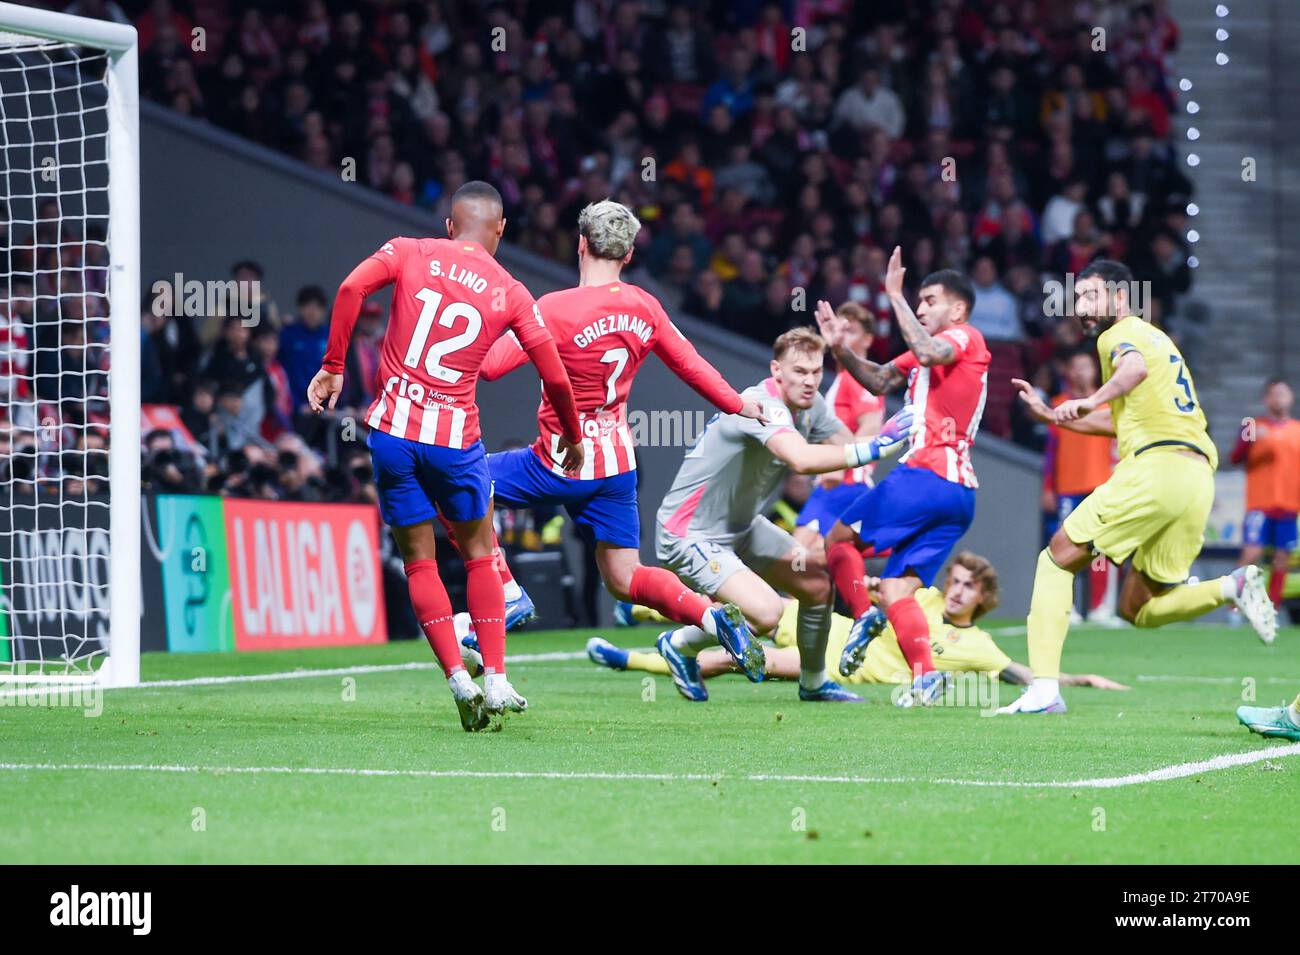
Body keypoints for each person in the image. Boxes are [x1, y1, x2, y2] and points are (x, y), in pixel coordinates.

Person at [306, 180, 584, 732]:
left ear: (450, 224)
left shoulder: (409, 250)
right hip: (455, 441)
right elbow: (552, 370)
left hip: (391, 433)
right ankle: (497, 678)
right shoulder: (511, 290)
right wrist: (572, 436)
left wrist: (334, 364)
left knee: (420, 561)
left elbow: (348, 290)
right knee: (481, 556)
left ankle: (457, 677)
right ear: (501, 229)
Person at [471, 200, 769, 668]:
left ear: (581, 244)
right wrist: (738, 403)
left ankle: (506, 589)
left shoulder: (552, 308)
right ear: (628, 256)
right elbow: (689, 365)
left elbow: (489, 368)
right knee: (625, 577)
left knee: (468, 478)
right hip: (617, 468)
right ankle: (712, 619)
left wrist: (499, 313)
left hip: (558, 460)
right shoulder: (645, 306)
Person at [1003, 259, 1276, 715]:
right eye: (1079, 299)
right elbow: (1120, 419)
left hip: (1157, 468)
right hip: (1194, 479)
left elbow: (1131, 372)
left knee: (1055, 559)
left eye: (1092, 296)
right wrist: (1056, 416)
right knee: (1141, 607)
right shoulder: (1160, 340)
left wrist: (1088, 396)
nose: (1083, 307)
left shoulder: (1120, 335)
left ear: (1121, 297)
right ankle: (1232, 587)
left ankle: (1044, 690)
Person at [651, 326, 913, 702]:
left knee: (817, 584)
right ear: (777, 371)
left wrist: (899, 438)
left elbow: (852, 447)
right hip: (689, 534)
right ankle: (679, 644)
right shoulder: (759, 405)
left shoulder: (811, 406)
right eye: (799, 372)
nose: (809, 382)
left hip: (741, 528)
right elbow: (802, 460)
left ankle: (813, 682)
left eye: (815, 372)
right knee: (765, 614)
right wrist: (876, 447)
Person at [816, 247, 991, 707]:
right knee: (897, 590)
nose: (920, 308)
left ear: (957, 308)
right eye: (918, 301)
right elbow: (877, 379)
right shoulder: (924, 356)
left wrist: (892, 294)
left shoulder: (965, 336)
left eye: (929, 300)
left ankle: (859, 617)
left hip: (927, 475)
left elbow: (931, 349)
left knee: (836, 541)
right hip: (958, 496)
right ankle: (925, 675)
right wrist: (841, 350)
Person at [582, 552, 1128, 698]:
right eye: (956, 580)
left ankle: (626, 658)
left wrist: (1078, 680)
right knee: (746, 609)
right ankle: (649, 606)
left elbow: (1023, 676)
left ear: (984, 598)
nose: (956, 589)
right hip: (828, 630)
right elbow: (881, 589)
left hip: (847, 672)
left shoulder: (980, 646)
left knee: (743, 657)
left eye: (969, 586)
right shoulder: (926, 598)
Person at [792, 301, 885, 550]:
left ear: (867, 340)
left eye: (850, 331)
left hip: (845, 485)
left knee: (793, 559)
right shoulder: (848, 378)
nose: (840, 335)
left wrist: (832, 467)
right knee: (810, 564)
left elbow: (871, 428)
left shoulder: (857, 379)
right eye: (837, 328)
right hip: (840, 484)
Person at [1042, 349, 1119, 624]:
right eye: (1076, 367)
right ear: (1068, 372)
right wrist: (1048, 487)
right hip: (1067, 488)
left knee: (1103, 548)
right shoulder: (1058, 405)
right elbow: (1050, 453)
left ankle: (1102, 609)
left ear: (1095, 371)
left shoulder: (1109, 405)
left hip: (1102, 486)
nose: (1081, 372)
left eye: (1086, 366)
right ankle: (1067, 608)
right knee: (1067, 547)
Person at [1230, 379, 1300, 609]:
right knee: (1251, 554)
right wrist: (1251, 440)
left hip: (1289, 505)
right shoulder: (1252, 425)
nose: (1279, 398)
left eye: (1283, 394)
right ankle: (1233, 606)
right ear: (1266, 399)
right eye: (1274, 394)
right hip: (1260, 504)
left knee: (1282, 559)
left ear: (1291, 398)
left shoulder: (1297, 429)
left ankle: (1272, 609)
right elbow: (1235, 457)